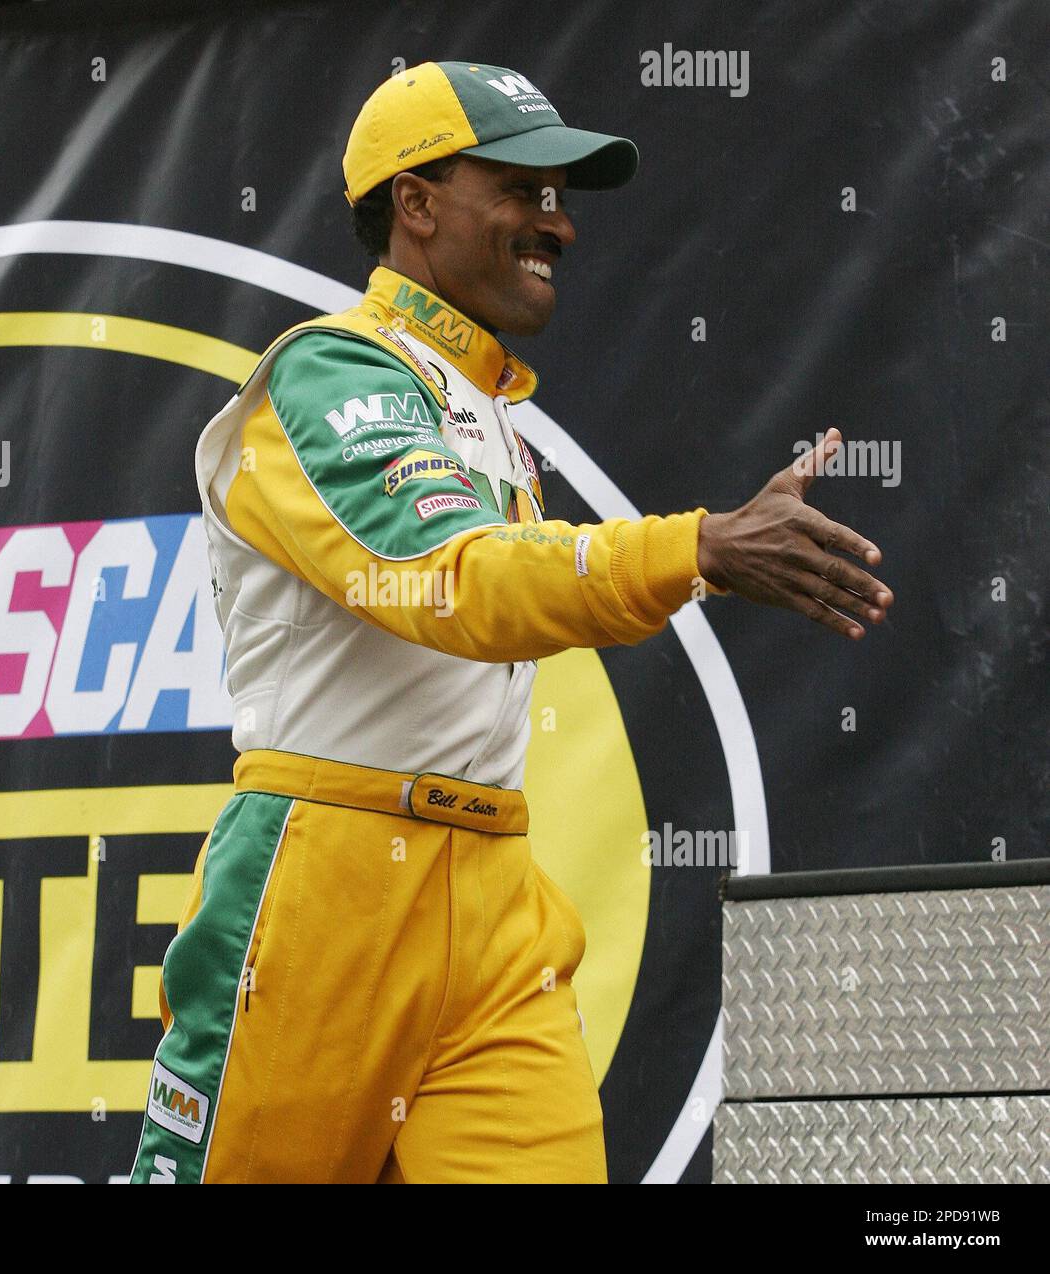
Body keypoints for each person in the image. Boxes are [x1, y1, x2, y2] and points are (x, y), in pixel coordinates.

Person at [130, 60, 893, 1184]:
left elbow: (519, 578)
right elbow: (454, 580)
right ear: (417, 203)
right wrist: (697, 547)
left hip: (491, 885)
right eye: (525, 187)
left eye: (564, 196)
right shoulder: (334, 367)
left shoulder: (481, 405)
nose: (558, 223)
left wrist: (706, 562)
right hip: (324, 877)